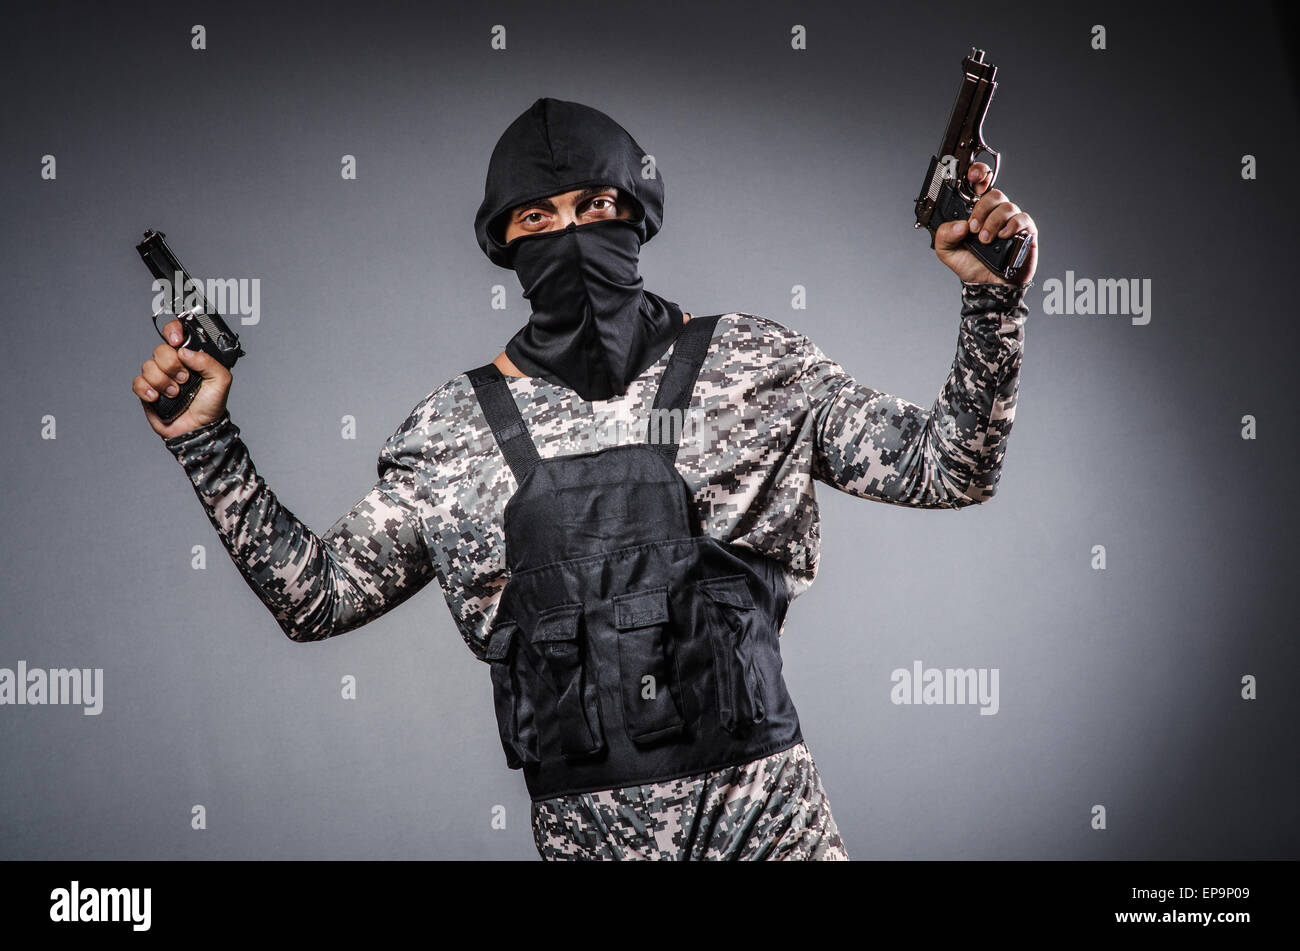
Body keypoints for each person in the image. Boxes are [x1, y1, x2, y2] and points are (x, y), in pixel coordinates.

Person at [131, 98, 1036, 860]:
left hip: (773, 829)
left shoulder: (754, 364)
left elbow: (949, 468)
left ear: (638, 212)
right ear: (505, 244)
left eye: (593, 203)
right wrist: (206, 444)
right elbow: (318, 598)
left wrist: (991, 301)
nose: (567, 231)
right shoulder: (451, 434)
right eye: (537, 217)